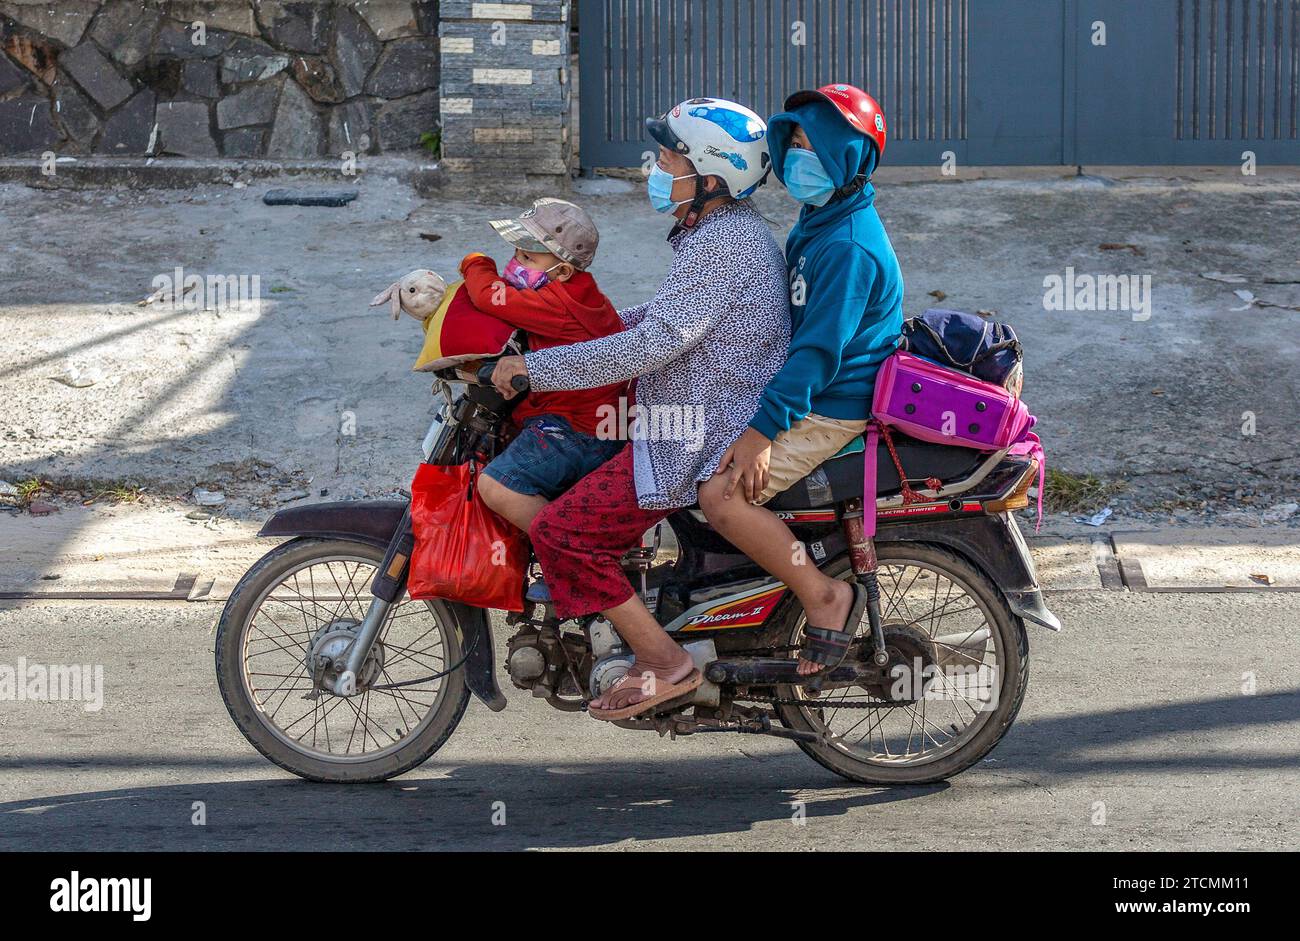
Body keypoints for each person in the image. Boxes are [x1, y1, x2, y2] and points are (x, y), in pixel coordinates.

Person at [490, 98, 790, 721]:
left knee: (562, 532)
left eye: (669, 157)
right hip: (683, 409)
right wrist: (578, 340)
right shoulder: (713, 233)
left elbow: (656, 344)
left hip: (695, 428)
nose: (655, 167)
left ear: (710, 177)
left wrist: (538, 370)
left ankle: (664, 662)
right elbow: (661, 324)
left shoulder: (726, 243)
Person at [697, 84, 904, 679]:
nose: (798, 157)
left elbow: (817, 355)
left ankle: (822, 595)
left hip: (833, 404)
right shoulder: (823, 218)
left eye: (815, 145)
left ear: (851, 156)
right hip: (813, 389)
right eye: (794, 143)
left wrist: (764, 430)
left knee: (722, 496)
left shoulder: (846, 244)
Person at [459, 198, 629, 532]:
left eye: (527, 257)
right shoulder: (580, 292)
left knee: (499, 485)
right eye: (516, 253)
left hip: (580, 432)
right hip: (593, 422)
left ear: (563, 271)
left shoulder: (559, 303)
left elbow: (487, 296)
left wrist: (475, 262)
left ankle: (569, 552)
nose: (515, 262)